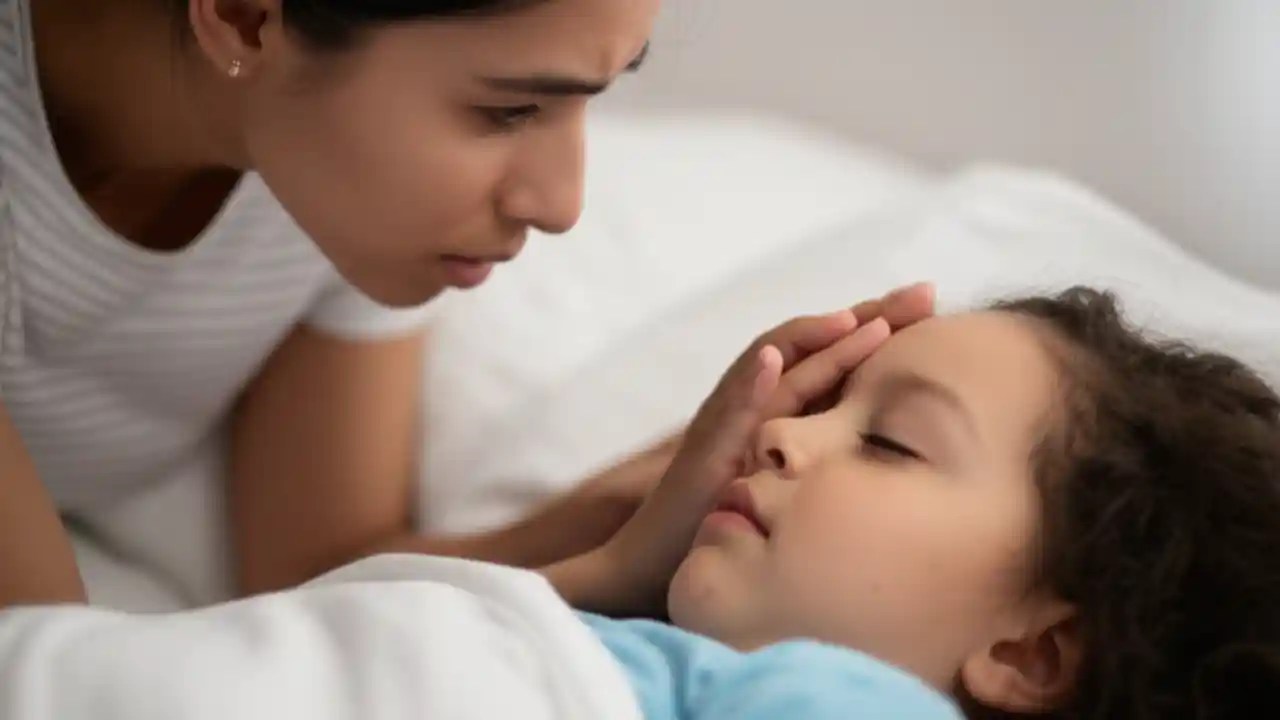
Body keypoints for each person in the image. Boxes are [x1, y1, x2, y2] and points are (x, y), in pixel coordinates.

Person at [0, 0, 942, 609]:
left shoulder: (319, 171)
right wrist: (604, 578)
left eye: (589, 101)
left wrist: (626, 505)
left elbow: (309, 578)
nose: (564, 204)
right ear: (246, 17)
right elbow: (66, 672)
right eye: (509, 111)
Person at [545, 287, 1280, 719]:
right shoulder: (629, 652)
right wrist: (603, 567)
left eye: (890, 442)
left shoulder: (836, 702)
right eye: (824, 404)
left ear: (1030, 652)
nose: (776, 429)